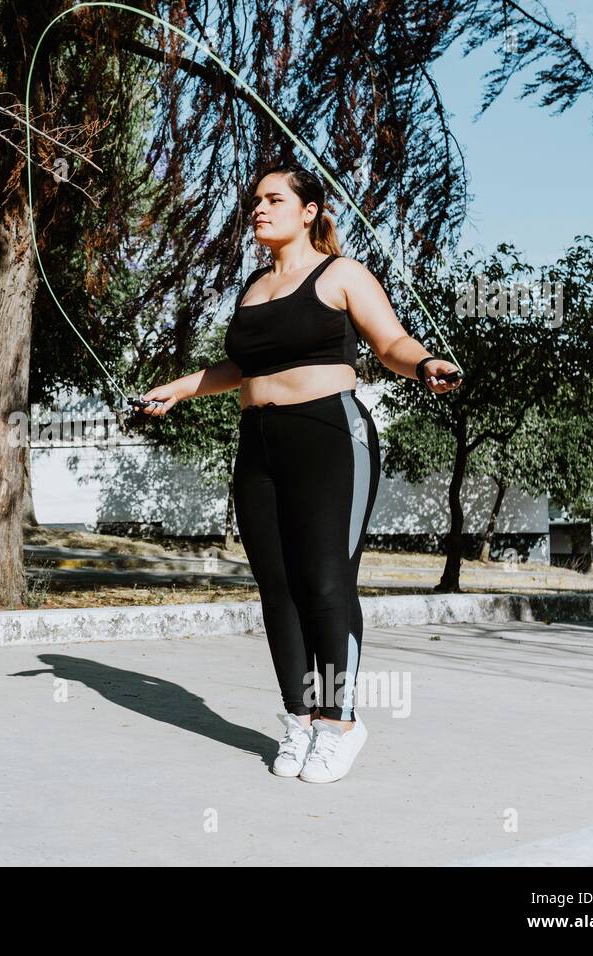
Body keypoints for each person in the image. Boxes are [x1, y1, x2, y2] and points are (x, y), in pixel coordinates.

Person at [135, 161, 462, 783]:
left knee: (325, 583)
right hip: (259, 442)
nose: (259, 208)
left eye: (274, 199)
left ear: (309, 211)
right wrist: (177, 389)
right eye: (255, 200)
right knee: (276, 589)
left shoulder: (342, 274)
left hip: (329, 435)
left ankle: (339, 721)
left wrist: (424, 364)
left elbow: (391, 342)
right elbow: (241, 369)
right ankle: (299, 718)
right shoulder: (255, 287)